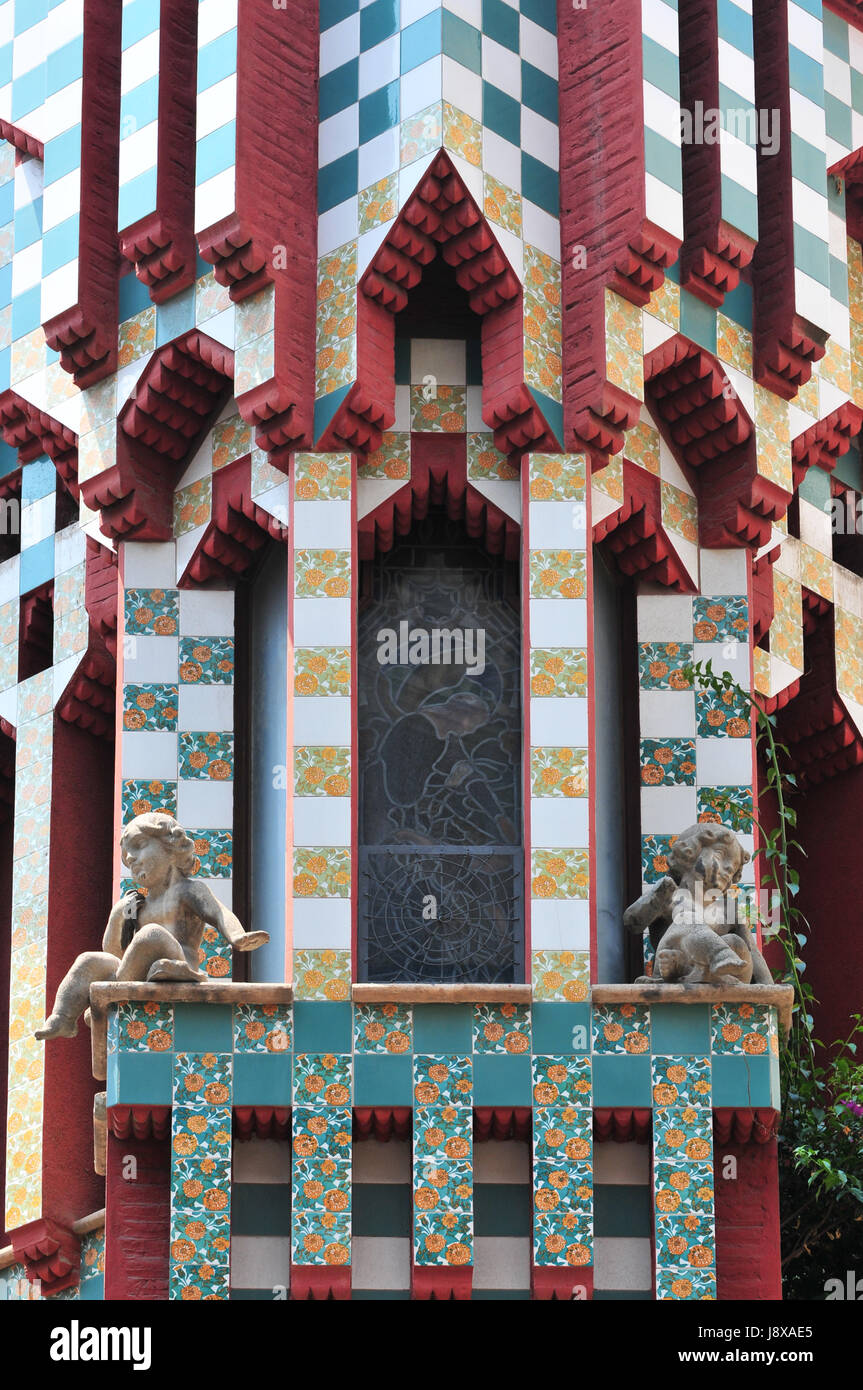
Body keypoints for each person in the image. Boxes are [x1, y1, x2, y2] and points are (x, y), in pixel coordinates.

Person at [35, 812, 268, 1040]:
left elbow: (219, 913)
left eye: (139, 845)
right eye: (127, 857)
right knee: (88, 960)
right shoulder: (139, 906)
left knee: (151, 934)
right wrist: (118, 917)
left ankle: (110, 994)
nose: (131, 859)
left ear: (171, 846)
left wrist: (237, 936)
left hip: (180, 964)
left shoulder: (188, 890)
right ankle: (62, 1018)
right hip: (138, 973)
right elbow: (114, 953)